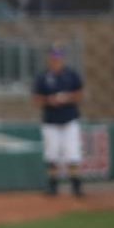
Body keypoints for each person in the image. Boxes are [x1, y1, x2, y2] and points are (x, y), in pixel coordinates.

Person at [32, 46, 86, 198]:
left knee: (73, 152)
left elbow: (80, 94)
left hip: (69, 119)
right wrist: (50, 100)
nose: (56, 61)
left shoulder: (71, 75)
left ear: (62, 59)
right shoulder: (43, 77)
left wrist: (67, 98)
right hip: (51, 121)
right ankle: (53, 186)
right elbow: (37, 99)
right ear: (50, 59)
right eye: (54, 58)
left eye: (59, 58)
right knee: (52, 153)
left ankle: (76, 186)